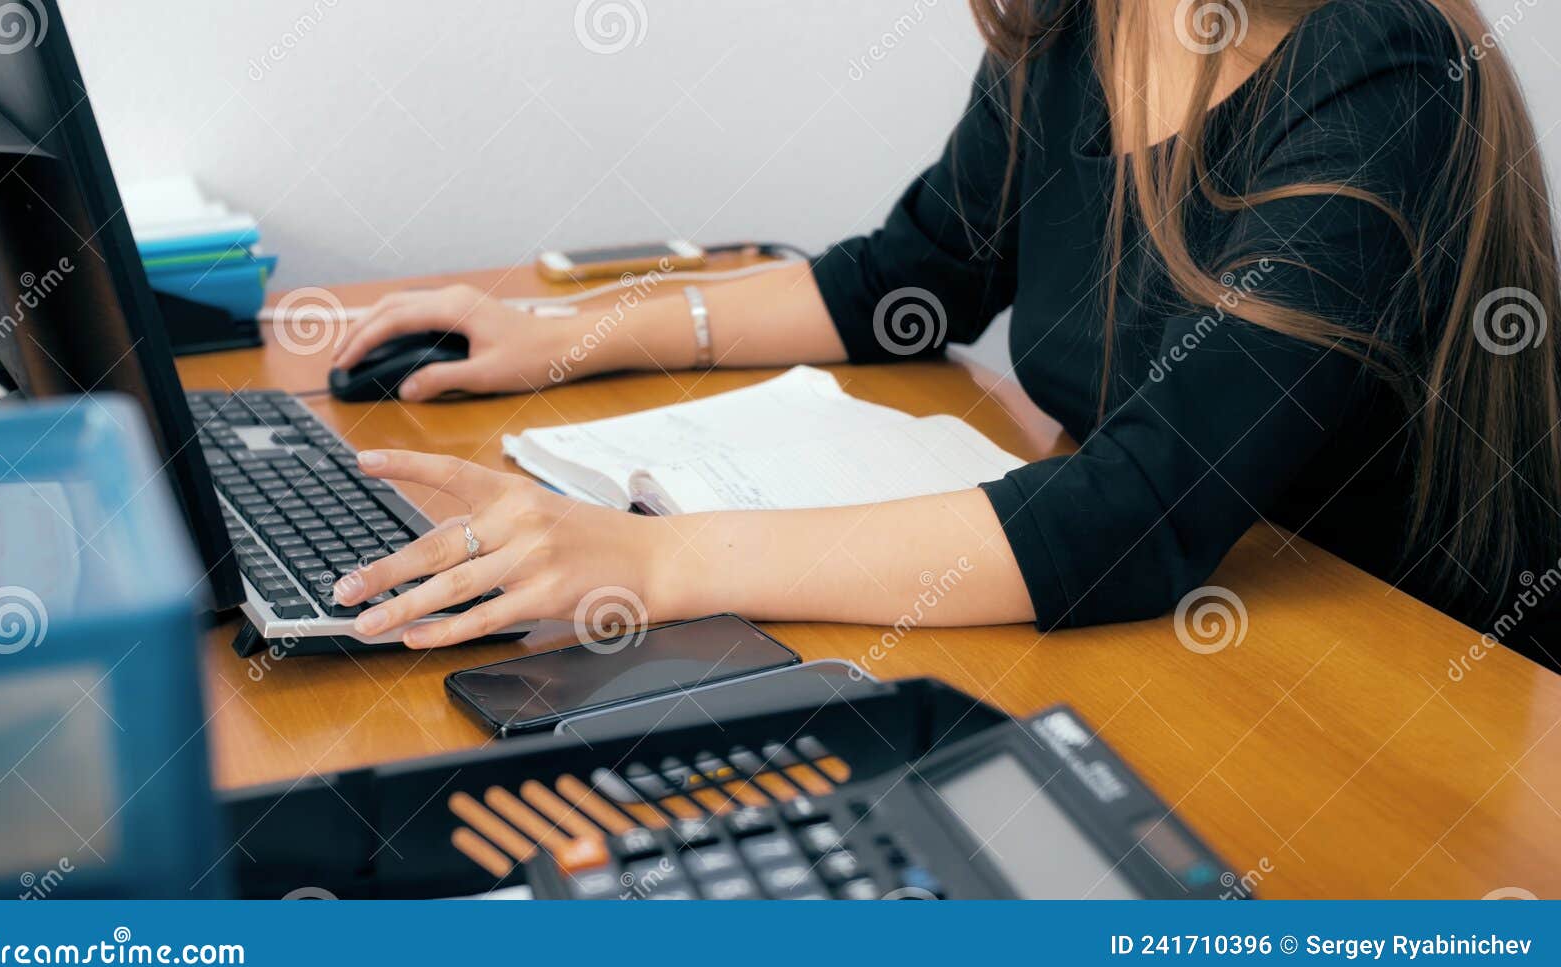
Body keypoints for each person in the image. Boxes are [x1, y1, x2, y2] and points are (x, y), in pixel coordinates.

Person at [328, 0, 1561, 667]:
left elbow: (1137, 509)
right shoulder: (1084, 21)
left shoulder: (1383, 67)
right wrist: (563, 333)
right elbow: (902, 280)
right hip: (1186, 646)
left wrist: (653, 563)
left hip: (1384, 685)